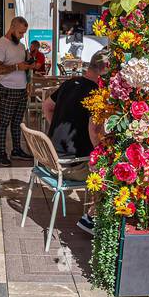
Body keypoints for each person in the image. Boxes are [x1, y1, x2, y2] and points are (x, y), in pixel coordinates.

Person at [44, 52, 108, 233]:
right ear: (105, 70)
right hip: (70, 166)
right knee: (112, 165)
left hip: (50, 159)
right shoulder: (96, 93)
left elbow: (47, 106)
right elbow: (94, 131)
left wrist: (58, 130)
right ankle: (92, 218)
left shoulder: (70, 83)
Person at [0, 16, 32, 166]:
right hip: (7, 89)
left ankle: (16, 149)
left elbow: (22, 66)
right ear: (12, 28)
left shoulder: (20, 46)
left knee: (17, 122)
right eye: (20, 32)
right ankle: (1, 153)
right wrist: (16, 67)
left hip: (21, 89)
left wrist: (29, 66)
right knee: (4, 122)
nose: (22, 36)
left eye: (24, 33)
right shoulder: (0, 45)